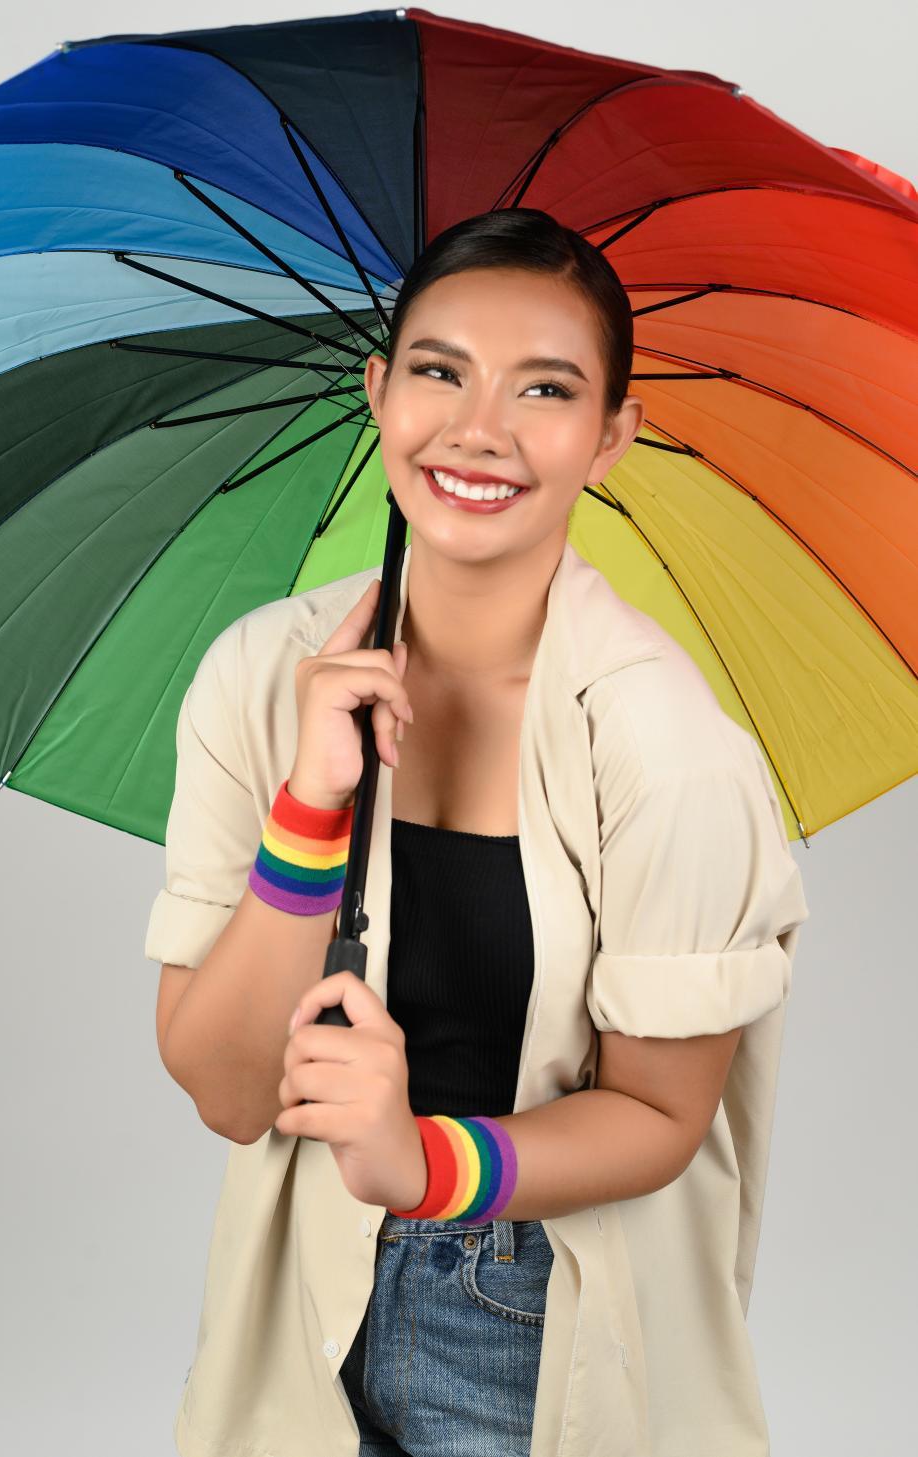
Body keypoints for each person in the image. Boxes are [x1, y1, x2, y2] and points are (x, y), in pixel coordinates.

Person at [147, 208, 809, 1457]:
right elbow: (230, 1090)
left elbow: (663, 1117)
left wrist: (423, 1161)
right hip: (301, 1305)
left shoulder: (667, 750)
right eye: (438, 369)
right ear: (377, 390)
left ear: (611, 436)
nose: (478, 429)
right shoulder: (259, 676)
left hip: (539, 1317)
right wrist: (307, 808)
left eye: (544, 388)